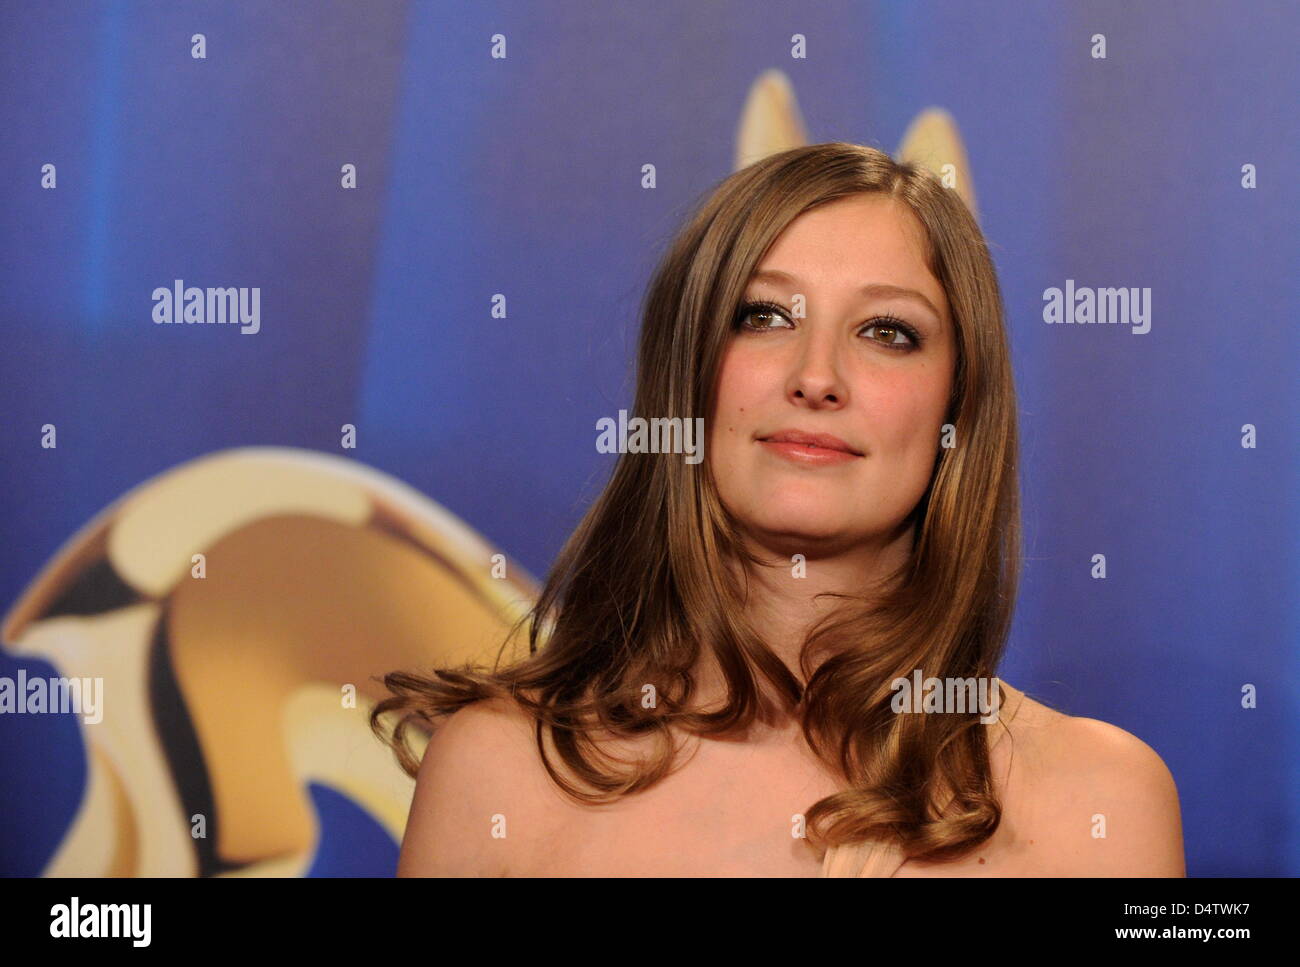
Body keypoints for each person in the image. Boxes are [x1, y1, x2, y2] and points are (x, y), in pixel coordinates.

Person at [371, 142, 1185, 877]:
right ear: (683, 378)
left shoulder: (1102, 804)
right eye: (763, 316)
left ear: (958, 410)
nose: (817, 375)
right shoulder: (501, 770)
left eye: (887, 331)